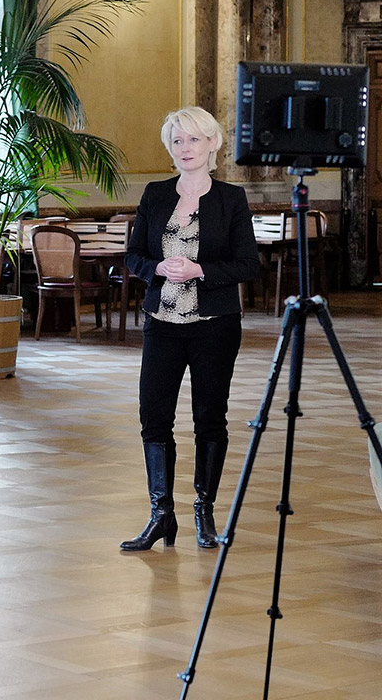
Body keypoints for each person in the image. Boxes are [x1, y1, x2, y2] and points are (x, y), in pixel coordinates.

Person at [121, 106, 259, 552]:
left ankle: (204, 510)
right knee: (154, 417)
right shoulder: (156, 194)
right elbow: (134, 255)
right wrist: (157, 266)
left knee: (209, 418)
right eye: (177, 141)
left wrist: (200, 269)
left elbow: (247, 264)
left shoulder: (230, 199)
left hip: (214, 325)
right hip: (162, 322)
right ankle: (161, 514)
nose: (185, 148)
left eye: (194, 140)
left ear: (212, 144)